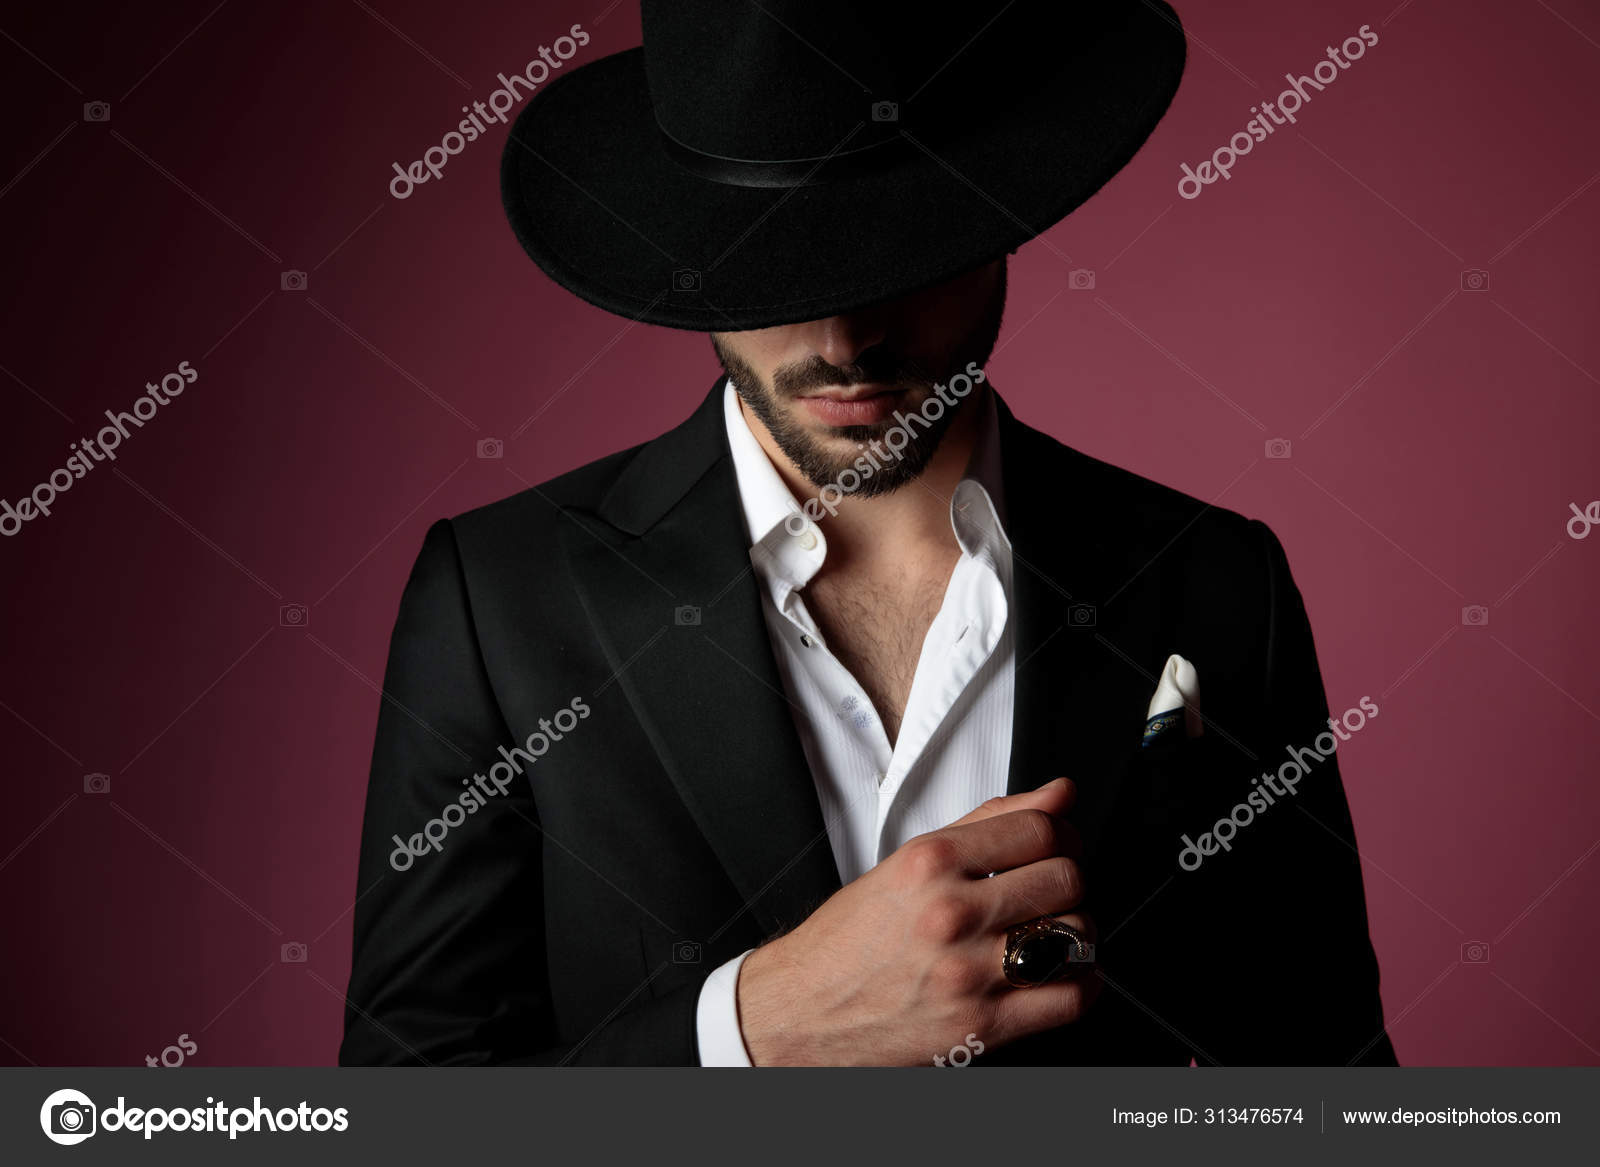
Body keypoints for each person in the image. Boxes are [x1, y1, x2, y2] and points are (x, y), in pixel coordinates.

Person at [340, 0, 1395, 1067]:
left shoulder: (1214, 583)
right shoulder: (500, 600)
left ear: (1003, 215)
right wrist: (750, 1033)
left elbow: (1334, 1084)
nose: (845, 339)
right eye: (770, 272)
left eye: (901, 247)